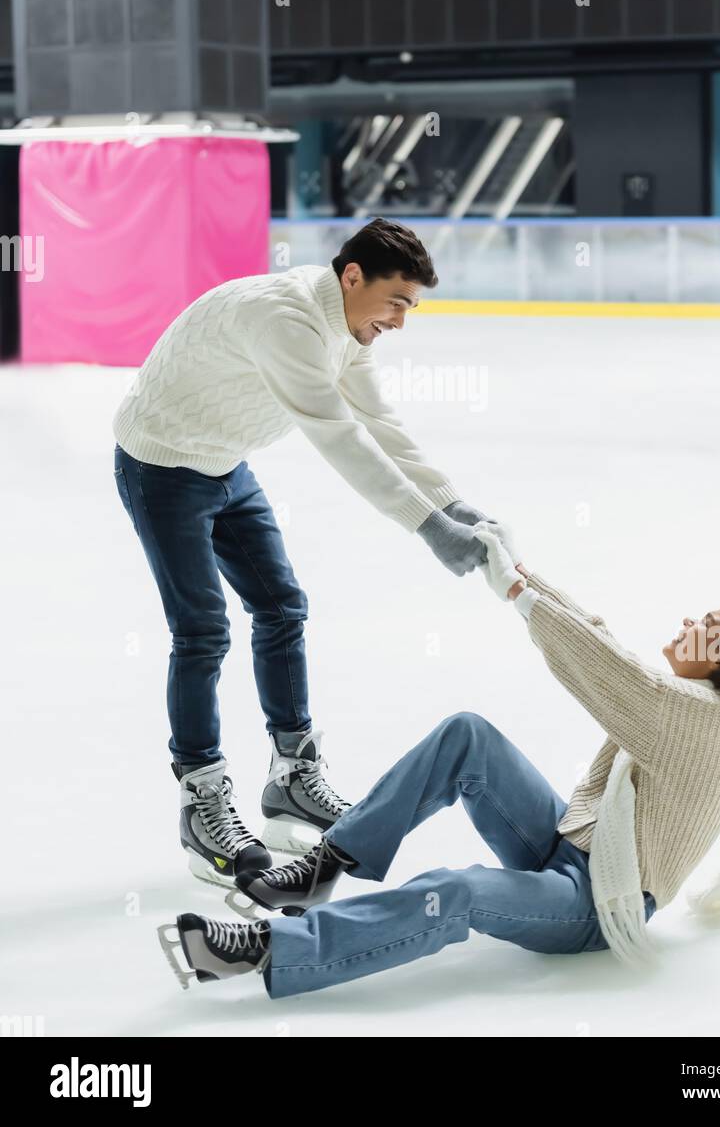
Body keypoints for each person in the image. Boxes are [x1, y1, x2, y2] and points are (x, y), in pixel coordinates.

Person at [157, 524, 720, 995]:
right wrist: (519, 569)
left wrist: (518, 594)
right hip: (577, 844)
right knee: (469, 736)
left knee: (454, 892)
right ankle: (328, 864)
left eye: (708, 624)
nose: (690, 620)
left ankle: (263, 951)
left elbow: (605, 666)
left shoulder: (696, 719)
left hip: (595, 904)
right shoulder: (700, 708)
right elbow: (600, 640)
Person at [112, 218, 498, 889]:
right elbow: (339, 438)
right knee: (202, 631)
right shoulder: (287, 321)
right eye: (397, 302)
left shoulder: (346, 327)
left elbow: (379, 421)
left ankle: (292, 777)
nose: (401, 321)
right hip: (165, 466)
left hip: (224, 463)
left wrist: (450, 503)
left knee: (282, 605)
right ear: (353, 277)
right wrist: (426, 528)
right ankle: (200, 802)